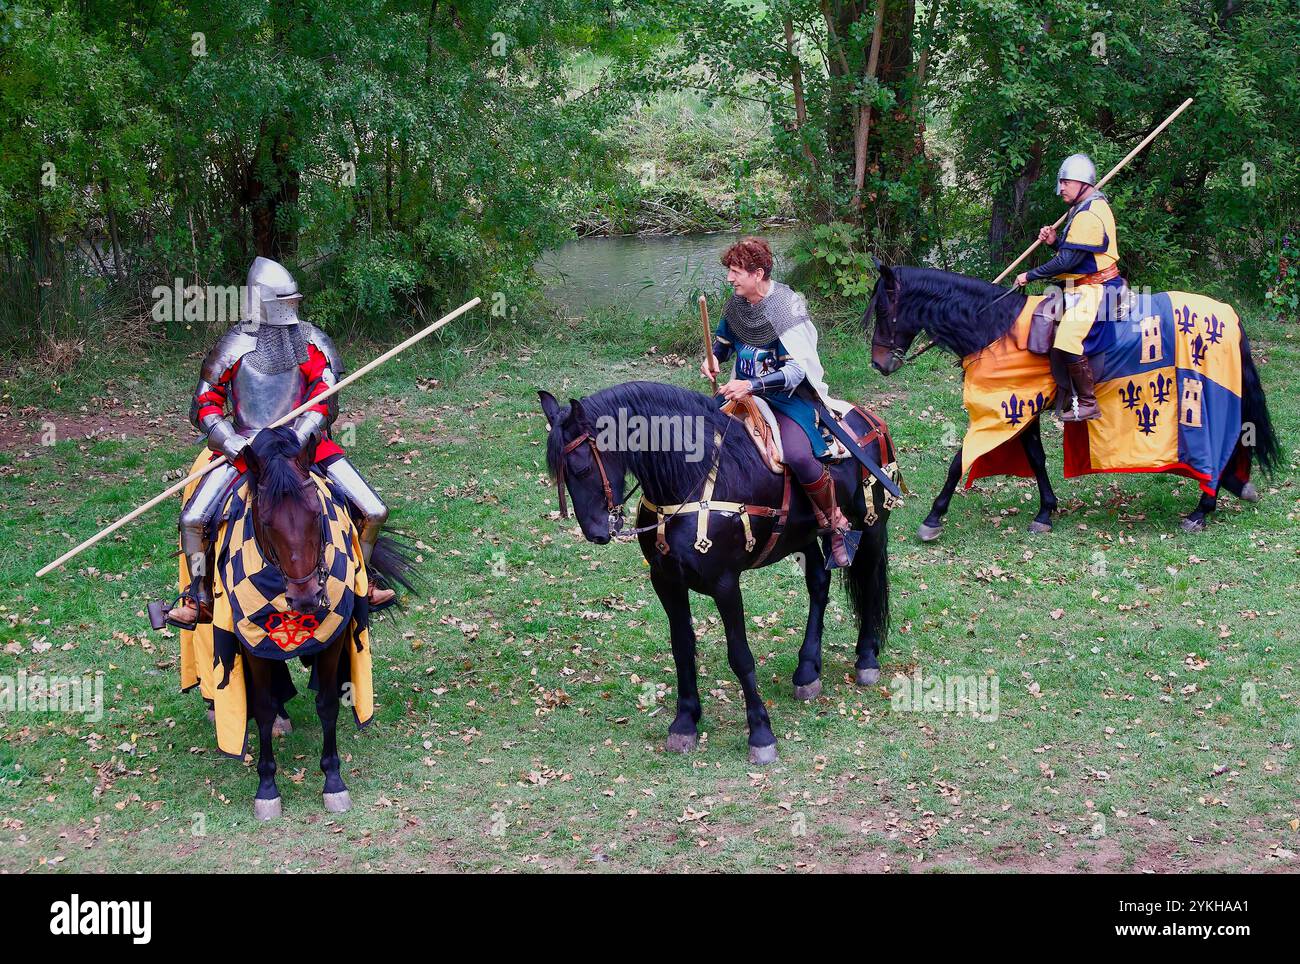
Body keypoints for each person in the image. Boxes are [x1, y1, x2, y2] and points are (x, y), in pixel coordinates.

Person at [167, 257, 395, 628]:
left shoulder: (310, 340)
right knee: (193, 518)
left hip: (302, 447)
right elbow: (204, 403)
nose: (289, 311)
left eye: (293, 301)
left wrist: (301, 433)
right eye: (281, 303)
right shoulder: (234, 345)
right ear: (259, 303)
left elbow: (326, 396)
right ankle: (199, 598)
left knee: (374, 511)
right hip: (247, 449)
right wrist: (229, 441)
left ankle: (364, 582)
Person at [700, 236, 853, 566]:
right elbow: (725, 344)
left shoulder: (786, 308)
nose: (730, 278)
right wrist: (713, 357)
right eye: (729, 270)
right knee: (700, 432)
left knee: (798, 455)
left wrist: (751, 385)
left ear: (757, 274)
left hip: (786, 399)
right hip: (740, 394)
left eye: (736, 271)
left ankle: (836, 522)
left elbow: (797, 369)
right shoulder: (737, 306)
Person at [1015, 153, 1124, 421]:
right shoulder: (1082, 208)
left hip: (1097, 289)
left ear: (1083, 183)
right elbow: (1076, 255)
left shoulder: (1090, 214)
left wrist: (1030, 275)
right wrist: (1054, 241)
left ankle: (1088, 402)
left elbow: (1067, 261)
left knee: (1067, 339)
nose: (1061, 188)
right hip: (1080, 285)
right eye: (1061, 182)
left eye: (1066, 182)